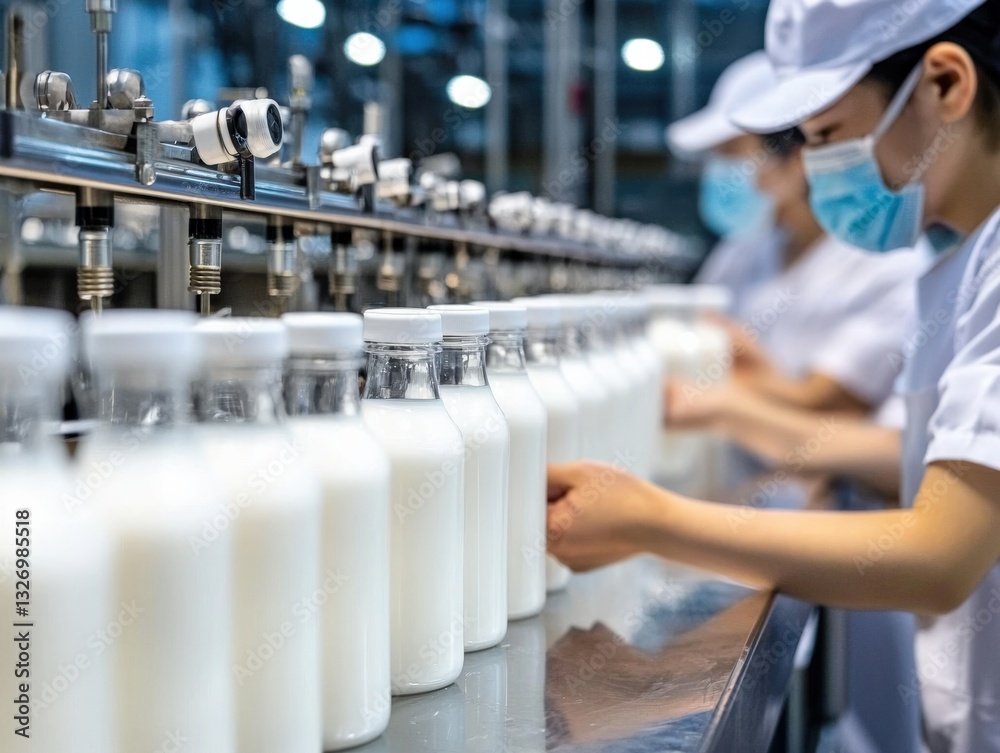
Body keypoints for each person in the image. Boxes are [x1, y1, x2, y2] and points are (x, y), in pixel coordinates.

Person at [548, 1, 1000, 751]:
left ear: (946, 84)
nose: (818, 168)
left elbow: (940, 555)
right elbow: (914, 460)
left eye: (826, 137)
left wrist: (649, 520)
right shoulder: (961, 263)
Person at [669, 53, 922, 415]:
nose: (718, 172)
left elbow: (832, 404)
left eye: (731, 153)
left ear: (796, 157)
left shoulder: (882, 260)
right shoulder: (743, 250)